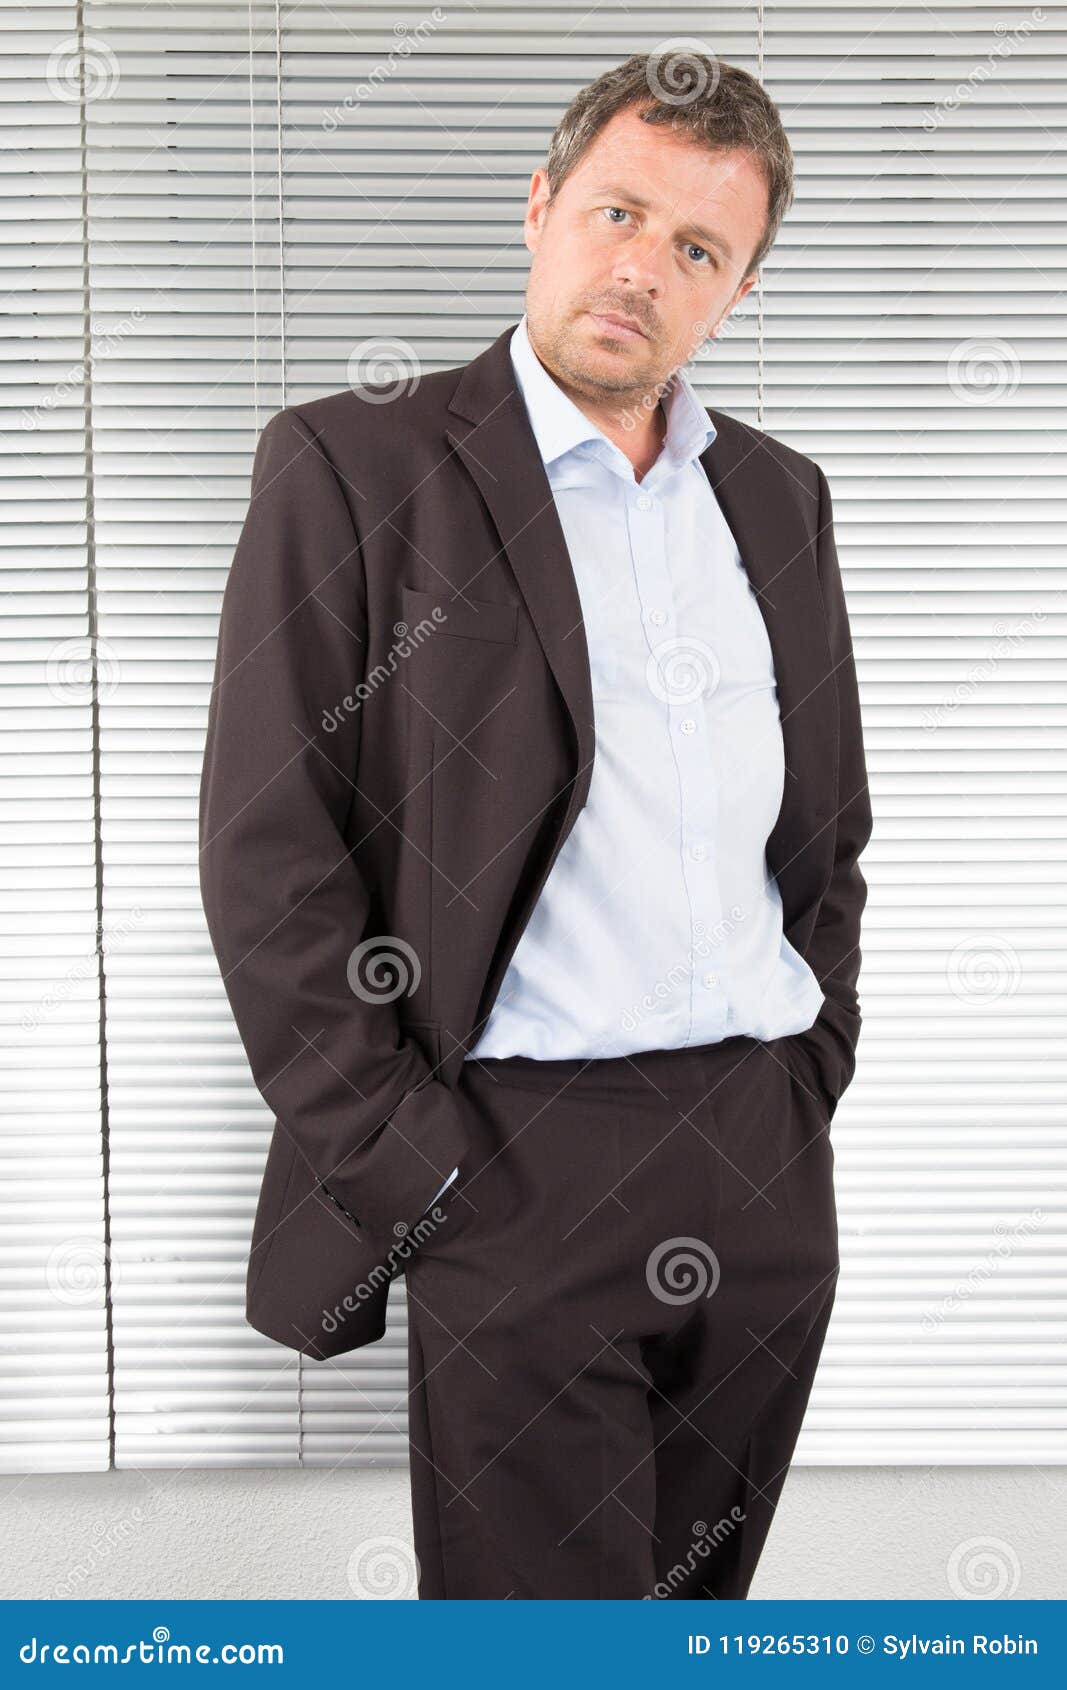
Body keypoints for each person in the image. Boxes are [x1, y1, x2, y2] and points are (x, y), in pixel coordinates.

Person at [199, 50, 872, 1599]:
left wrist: (808, 1073)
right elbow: (266, 848)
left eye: (698, 248)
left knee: (694, 1625)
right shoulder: (358, 466)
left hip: (760, 1159)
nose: (642, 265)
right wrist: (410, 1162)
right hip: (512, 1160)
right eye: (618, 212)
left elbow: (827, 829)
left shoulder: (780, 500)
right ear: (541, 206)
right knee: (542, 1647)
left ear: (739, 289)